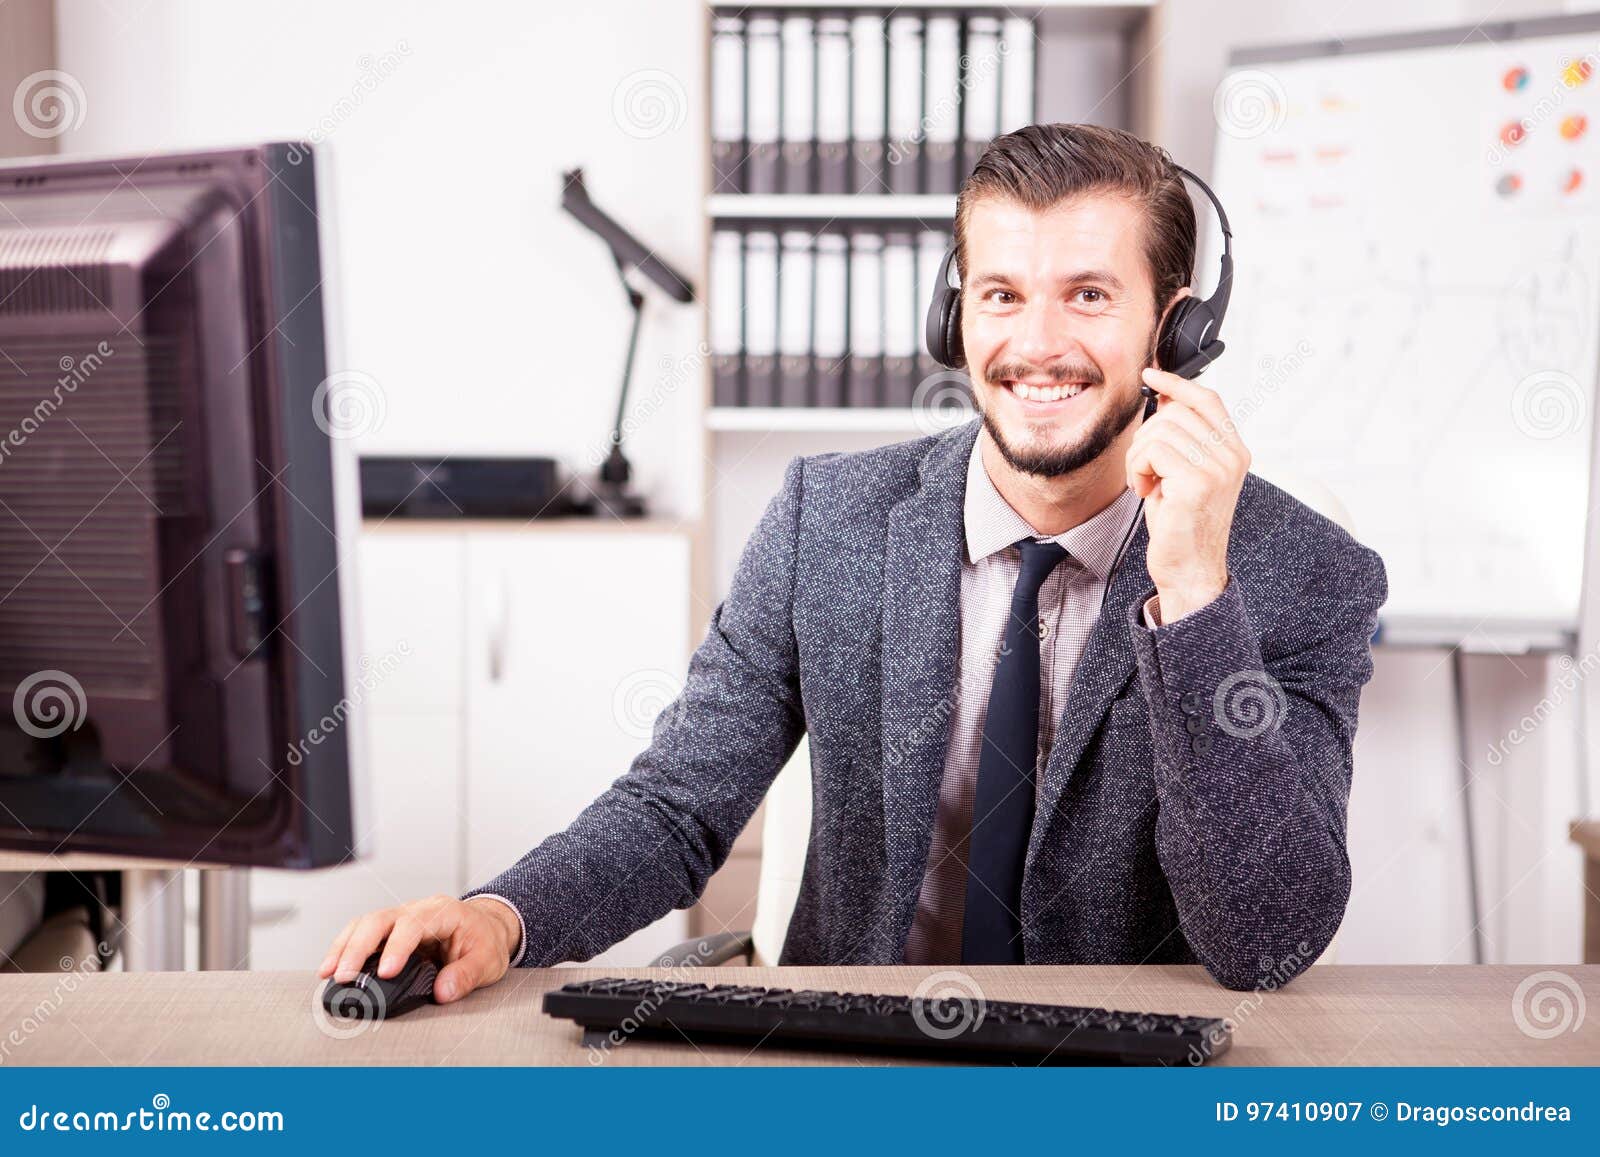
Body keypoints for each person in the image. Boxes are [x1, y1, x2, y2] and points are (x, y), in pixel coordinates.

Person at [319, 123, 1387, 1000]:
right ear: (951, 316)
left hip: (1119, 1086)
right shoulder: (827, 521)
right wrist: (503, 916)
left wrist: (1194, 591)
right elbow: (676, 806)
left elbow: (1266, 937)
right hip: (852, 1067)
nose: (1038, 342)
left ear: (1179, 324)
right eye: (1002, 294)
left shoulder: (1303, 572)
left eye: (1090, 295)